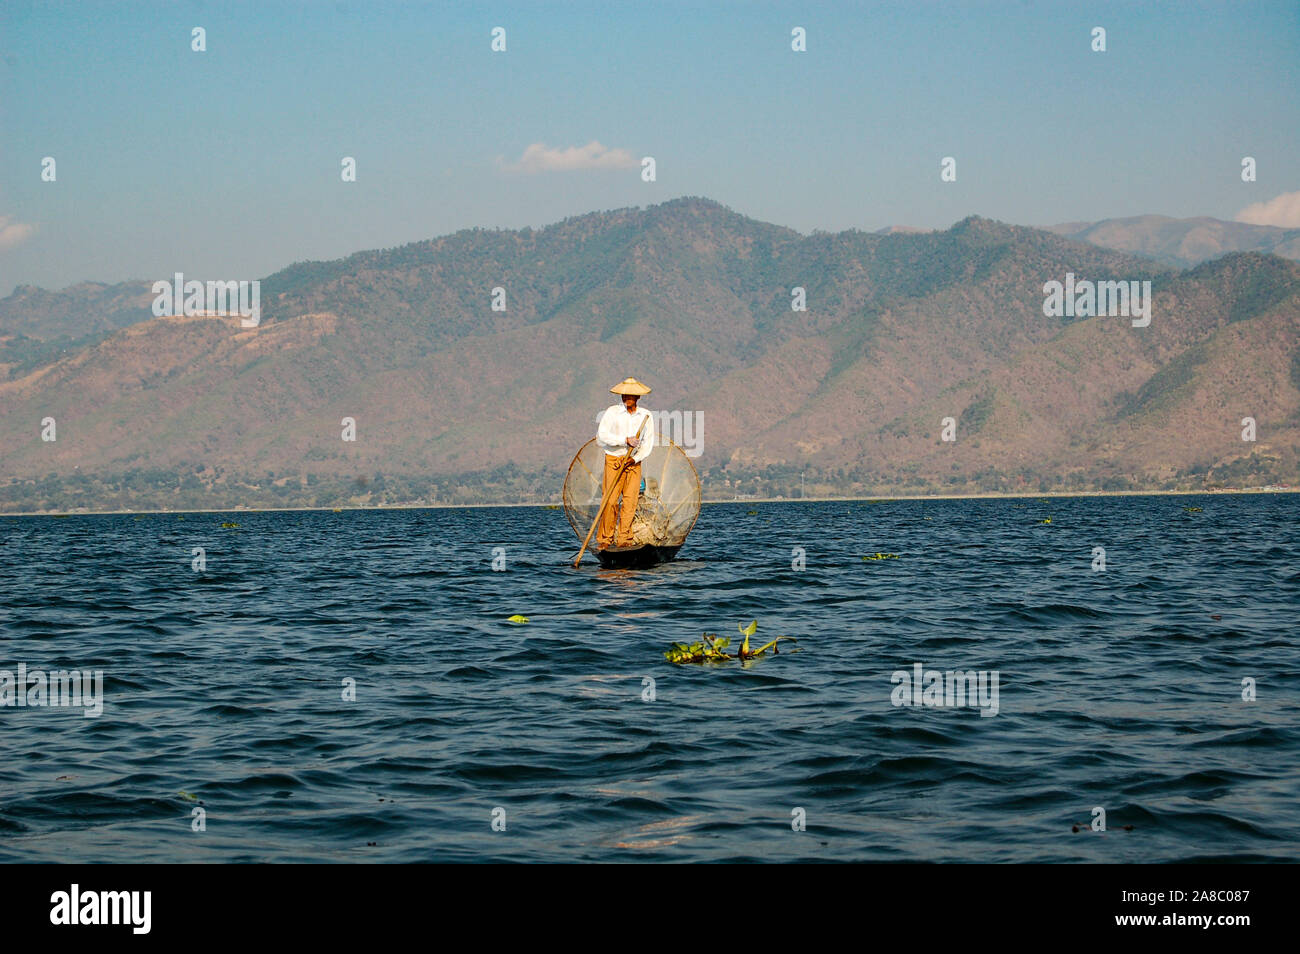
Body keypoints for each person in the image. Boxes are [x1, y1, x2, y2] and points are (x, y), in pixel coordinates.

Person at [596, 377, 656, 550]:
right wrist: (625, 440)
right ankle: (605, 539)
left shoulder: (645, 415)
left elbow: (647, 444)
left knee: (630, 502)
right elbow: (602, 436)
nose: (626, 398)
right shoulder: (612, 412)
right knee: (610, 501)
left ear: (638, 397)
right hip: (614, 460)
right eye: (624, 395)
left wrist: (634, 459)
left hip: (633, 462)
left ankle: (624, 539)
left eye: (630, 395)